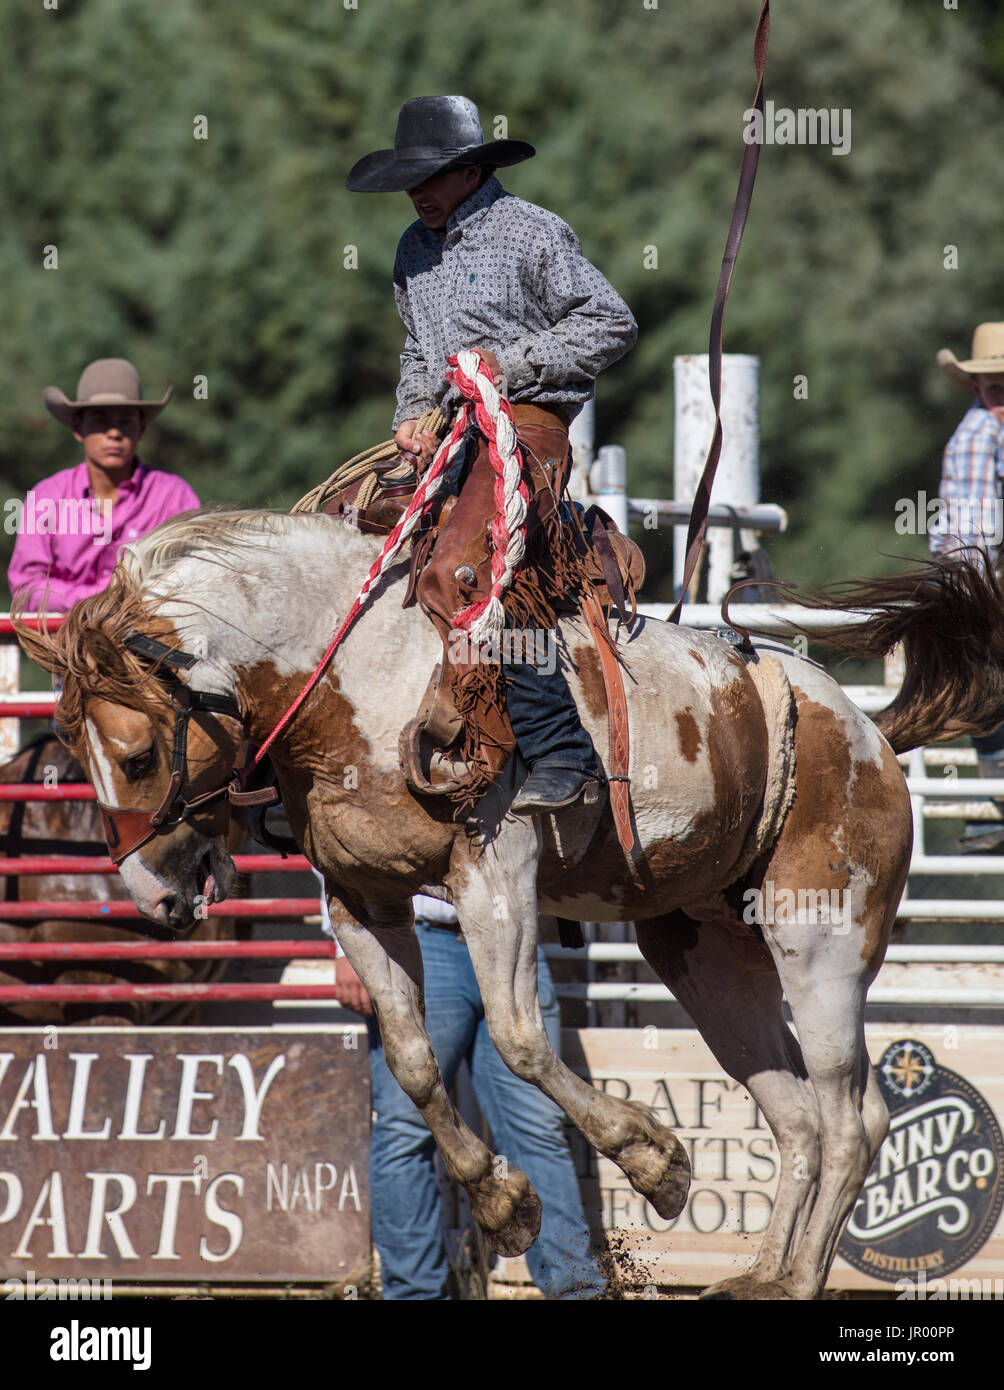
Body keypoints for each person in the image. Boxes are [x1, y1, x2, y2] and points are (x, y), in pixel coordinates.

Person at [346, 96, 638, 815]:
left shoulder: (531, 232)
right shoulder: (414, 247)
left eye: (432, 175)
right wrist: (412, 412)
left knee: (463, 567)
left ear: (471, 169)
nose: (417, 192)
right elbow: (419, 348)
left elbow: (612, 322)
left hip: (529, 425)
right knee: (349, 536)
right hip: (451, 432)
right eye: (410, 179)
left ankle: (560, 747)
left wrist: (509, 366)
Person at [321, 883, 605, 1300]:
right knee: (406, 1129)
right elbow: (330, 831)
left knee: (538, 1128)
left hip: (509, 938)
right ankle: (416, 1294)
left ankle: (577, 1291)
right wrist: (347, 943)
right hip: (412, 937)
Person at [8, 358, 200, 611]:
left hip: (151, 645)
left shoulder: (174, 496)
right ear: (78, 428)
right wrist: (101, 601)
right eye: (100, 420)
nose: (114, 433)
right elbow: (27, 586)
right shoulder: (47, 496)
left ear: (141, 429)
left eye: (126, 421)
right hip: (64, 646)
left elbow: (193, 578)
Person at [930, 322, 1004, 851]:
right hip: (978, 580)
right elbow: (977, 539)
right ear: (978, 389)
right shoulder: (982, 438)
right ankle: (990, 808)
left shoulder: (986, 431)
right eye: (997, 389)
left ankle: (988, 810)